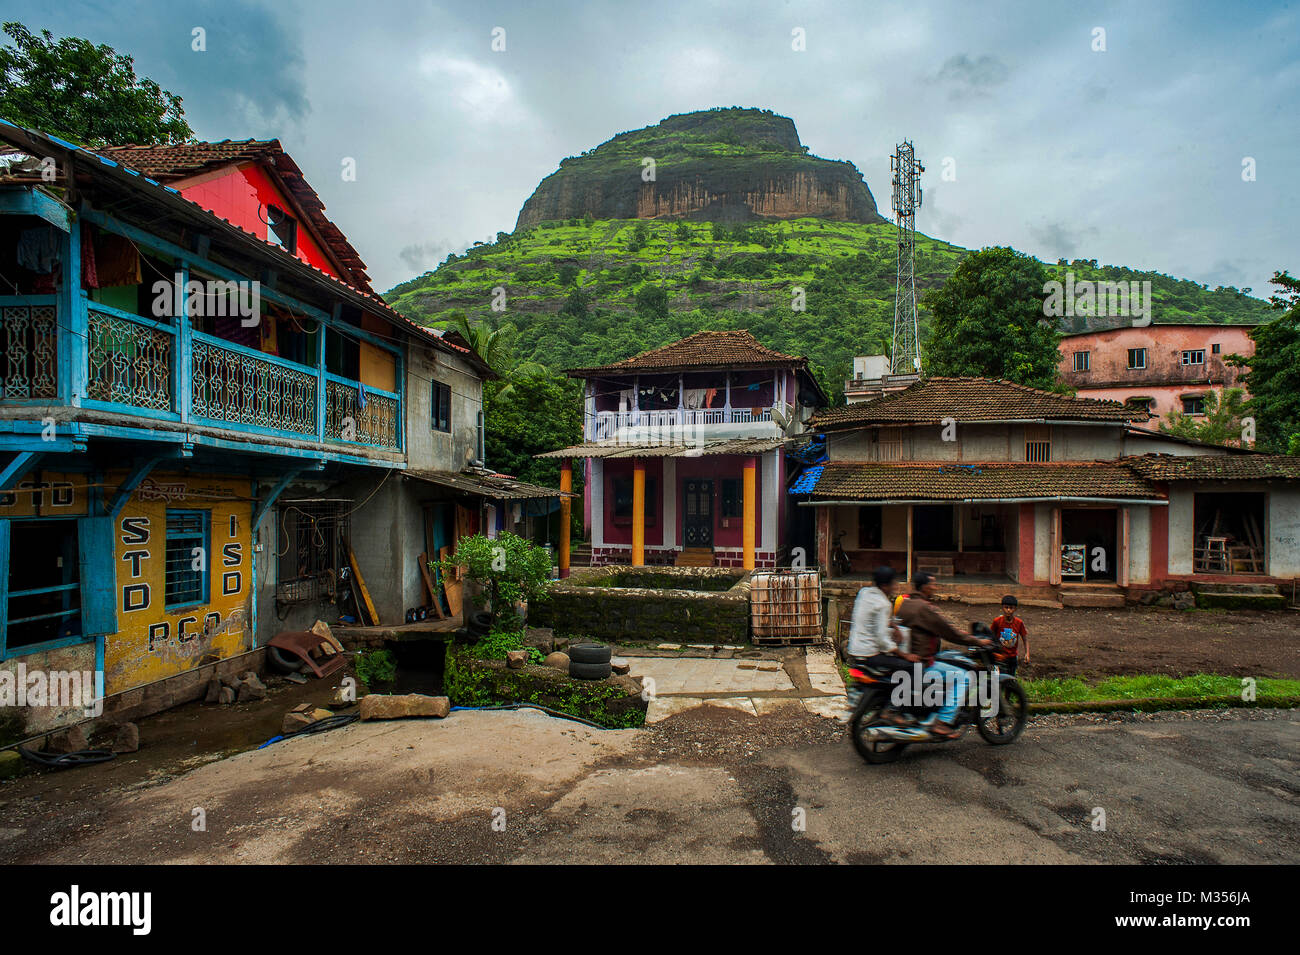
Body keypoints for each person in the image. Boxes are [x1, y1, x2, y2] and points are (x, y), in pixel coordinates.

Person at [896, 572, 993, 739]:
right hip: (923, 662)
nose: (935, 587)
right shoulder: (925, 608)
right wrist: (978, 642)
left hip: (905, 660)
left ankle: (934, 711)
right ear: (925, 587)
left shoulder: (905, 604)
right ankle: (943, 722)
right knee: (965, 676)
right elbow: (950, 632)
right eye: (933, 584)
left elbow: (942, 628)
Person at [845, 566, 919, 710]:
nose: (896, 587)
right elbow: (882, 641)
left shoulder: (864, 593)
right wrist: (905, 655)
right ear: (885, 586)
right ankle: (893, 709)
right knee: (911, 668)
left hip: (854, 648)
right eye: (893, 584)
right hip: (870, 654)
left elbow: (873, 617)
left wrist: (894, 626)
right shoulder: (884, 604)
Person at [990, 595, 1029, 675]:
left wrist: (1027, 653)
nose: (1008, 610)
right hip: (1000, 657)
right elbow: (990, 636)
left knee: (1011, 678)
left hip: (1013, 657)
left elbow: (1025, 639)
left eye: (1011, 608)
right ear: (1002, 608)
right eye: (1006, 607)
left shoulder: (1019, 623)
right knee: (1000, 678)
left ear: (1015, 609)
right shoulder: (997, 621)